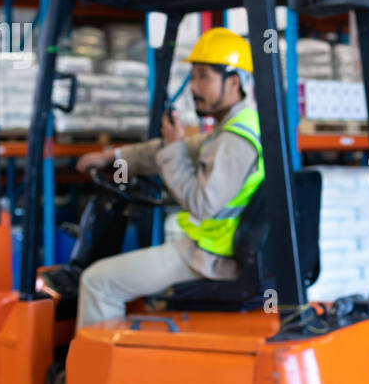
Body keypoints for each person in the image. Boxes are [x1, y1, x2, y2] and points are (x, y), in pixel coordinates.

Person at [73, 28, 262, 328]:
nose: (194, 87)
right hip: (213, 250)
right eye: (193, 76)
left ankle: (94, 373)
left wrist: (173, 149)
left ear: (233, 82)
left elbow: (201, 204)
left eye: (203, 77)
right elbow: (175, 150)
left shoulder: (235, 139)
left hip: (211, 258)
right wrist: (114, 157)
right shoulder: (238, 126)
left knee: (97, 282)